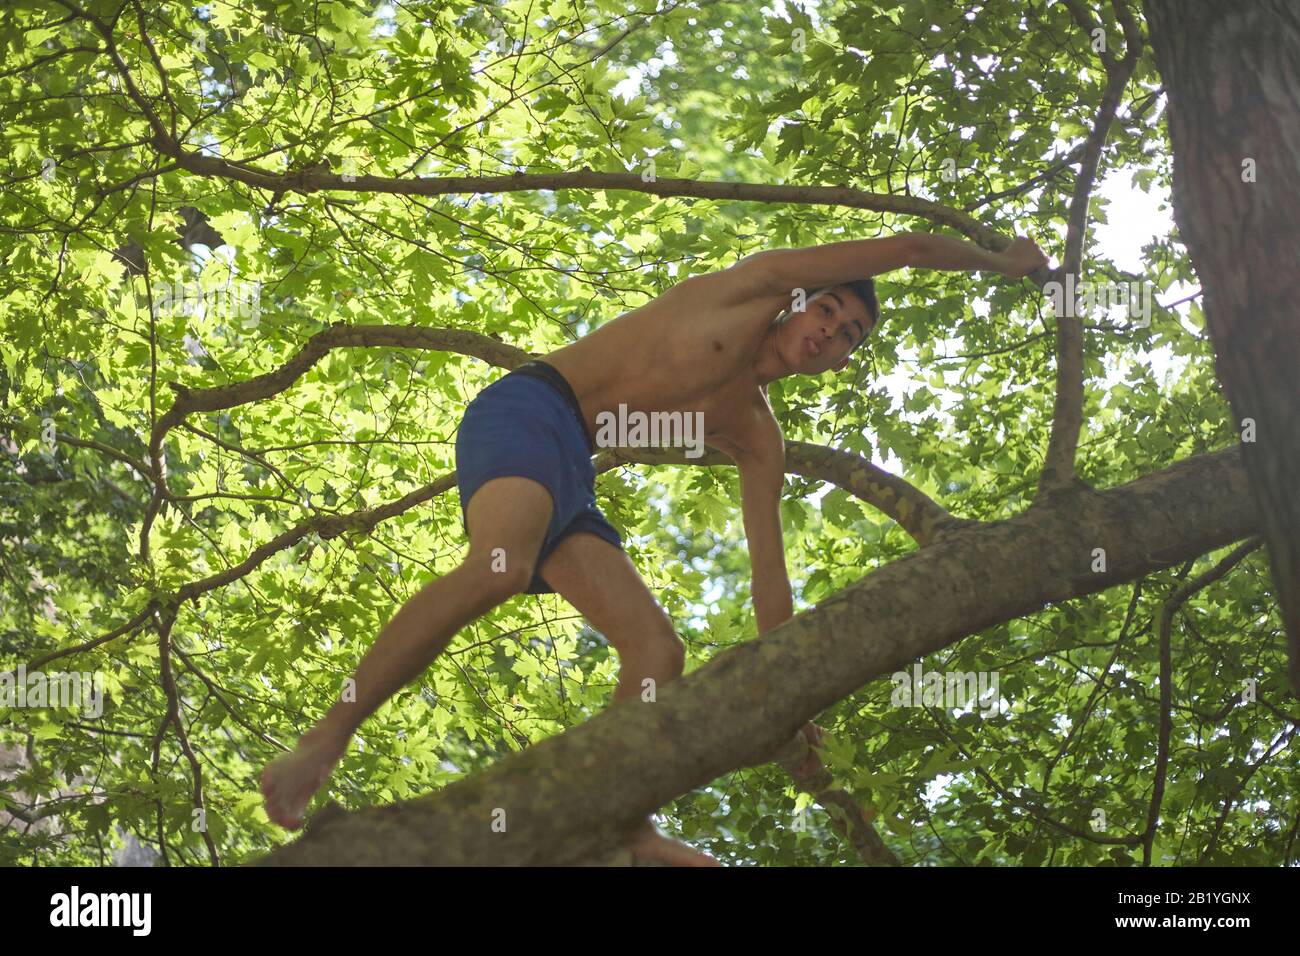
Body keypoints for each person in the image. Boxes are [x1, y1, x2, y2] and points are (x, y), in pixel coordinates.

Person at [260, 230, 1049, 864]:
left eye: (849, 337)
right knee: (499, 567)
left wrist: (796, 700)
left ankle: (615, 822)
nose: (831, 334)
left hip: (571, 479)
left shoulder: (756, 434)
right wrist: (1002, 263)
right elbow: (908, 248)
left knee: (656, 651)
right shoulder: (752, 288)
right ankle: (327, 737)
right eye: (831, 312)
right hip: (533, 410)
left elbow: (771, 590)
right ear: (804, 298)